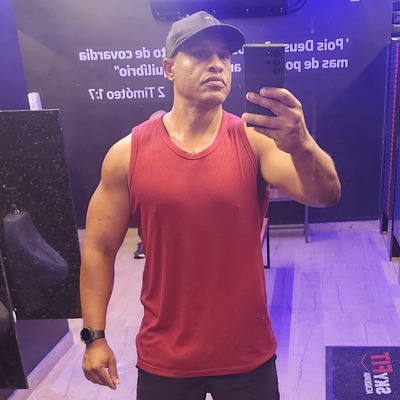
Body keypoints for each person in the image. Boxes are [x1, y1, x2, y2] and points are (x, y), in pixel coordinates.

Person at [80, 11, 341, 400]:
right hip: (165, 358)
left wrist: (302, 143)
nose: (217, 64)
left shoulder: (255, 140)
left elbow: (325, 195)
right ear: (169, 68)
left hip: (246, 355)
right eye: (201, 54)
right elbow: (99, 248)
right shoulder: (126, 155)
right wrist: (94, 336)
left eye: (225, 56)